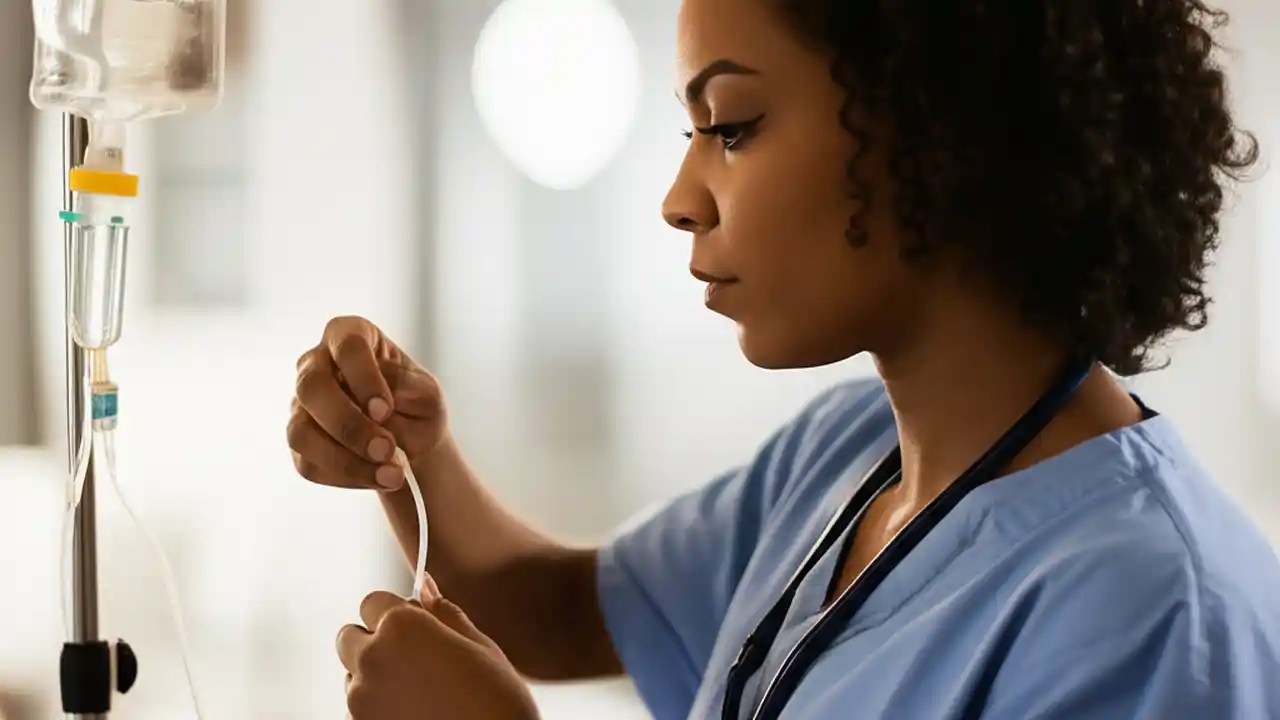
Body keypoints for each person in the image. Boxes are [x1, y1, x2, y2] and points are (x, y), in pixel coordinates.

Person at [287, 0, 1280, 717]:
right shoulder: (848, 456)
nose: (679, 197)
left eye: (733, 128)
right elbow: (557, 613)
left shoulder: (1152, 616)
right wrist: (413, 457)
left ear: (943, 129)